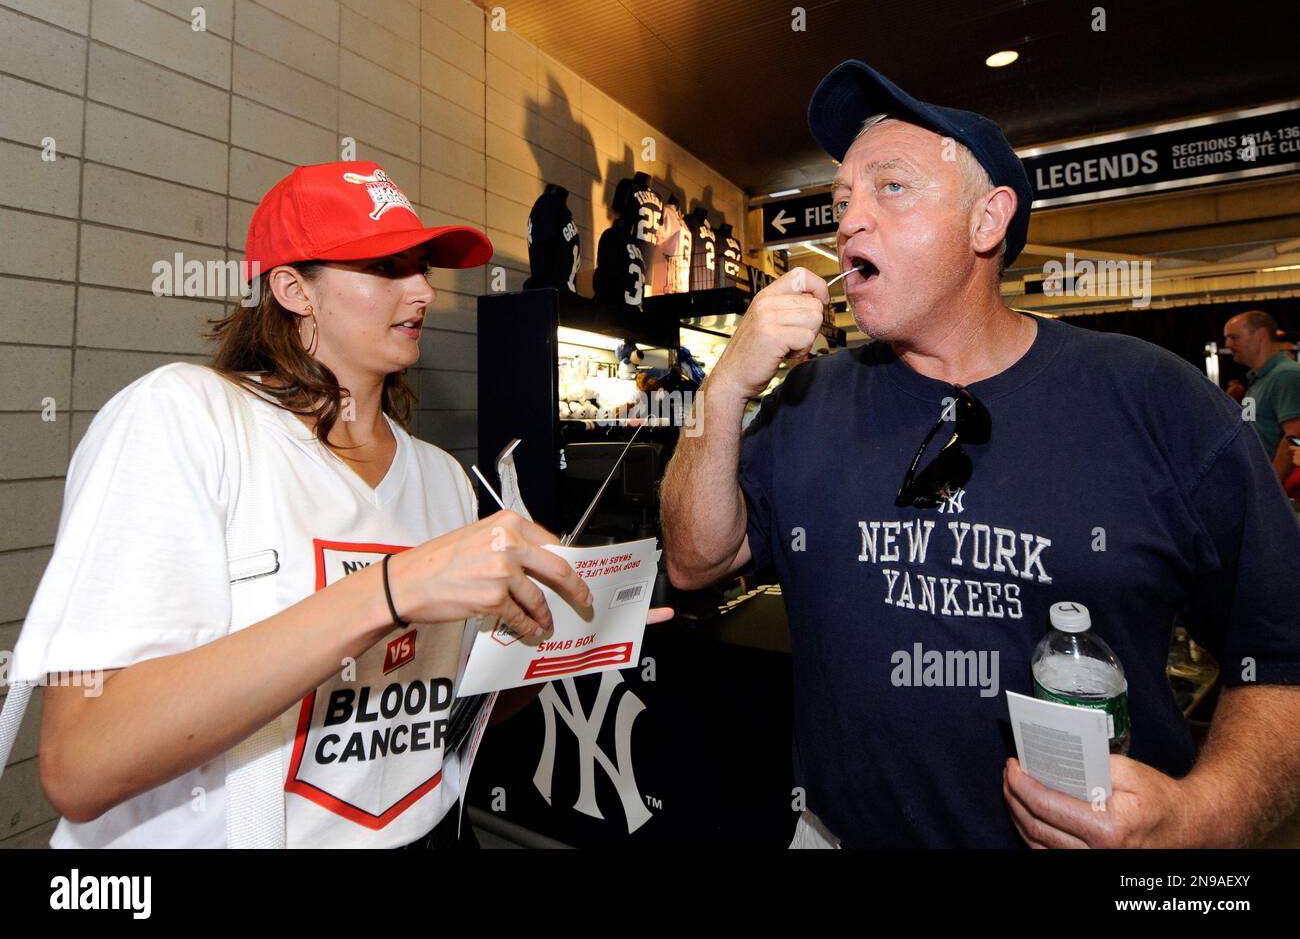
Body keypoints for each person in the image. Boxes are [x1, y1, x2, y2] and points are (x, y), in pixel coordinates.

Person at [661, 60, 1300, 848]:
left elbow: (1281, 652)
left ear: (987, 220)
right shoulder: (807, 400)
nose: (849, 221)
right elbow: (695, 559)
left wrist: (1206, 818)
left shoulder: (1153, 401)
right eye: (841, 200)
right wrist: (724, 385)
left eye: (890, 188)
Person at [13, 161, 666, 848]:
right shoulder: (186, 418)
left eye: (421, 263)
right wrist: (393, 588)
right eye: (387, 265)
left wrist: (561, 637)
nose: (422, 287)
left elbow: (444, 710)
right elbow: (79, 762)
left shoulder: (441, 477)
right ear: (294, 288)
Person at [1223, 311, 1300, 482]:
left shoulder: (1285, 375)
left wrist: (1272, 486)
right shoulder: (1258, 378)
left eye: (1234, 337)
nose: (1228, 344)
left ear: (1261, 335)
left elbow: (1295, 435)